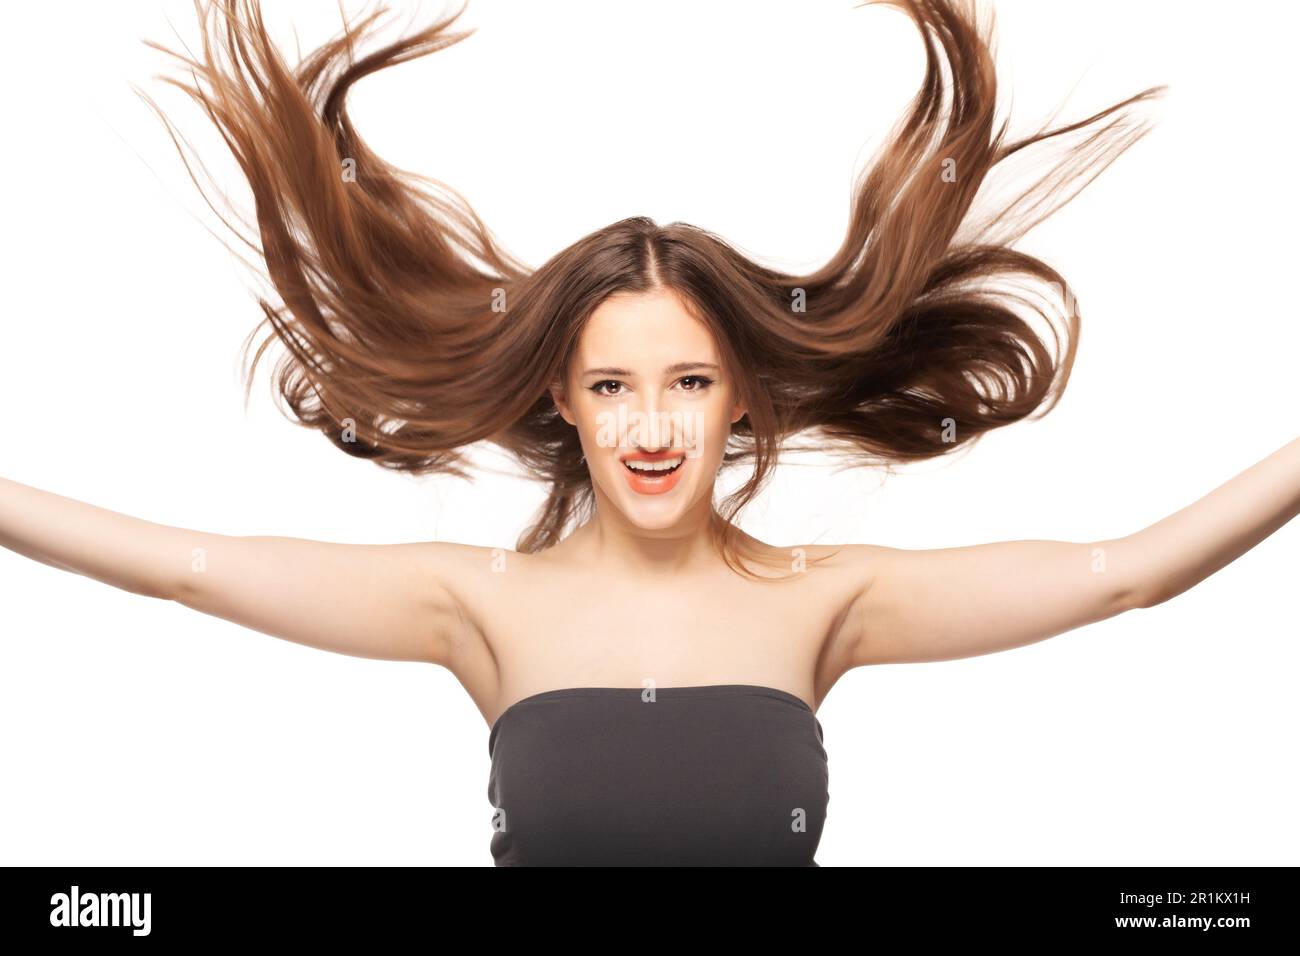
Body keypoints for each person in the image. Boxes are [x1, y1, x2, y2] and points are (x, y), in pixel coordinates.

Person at [4, 0, 1297, 865]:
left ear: (742, 396)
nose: (651, 425)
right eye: (611, 387)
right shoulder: (477, 606)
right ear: (560, 401)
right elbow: (182, 565)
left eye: (688, 381)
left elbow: (1129, 572)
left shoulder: (829, 601)